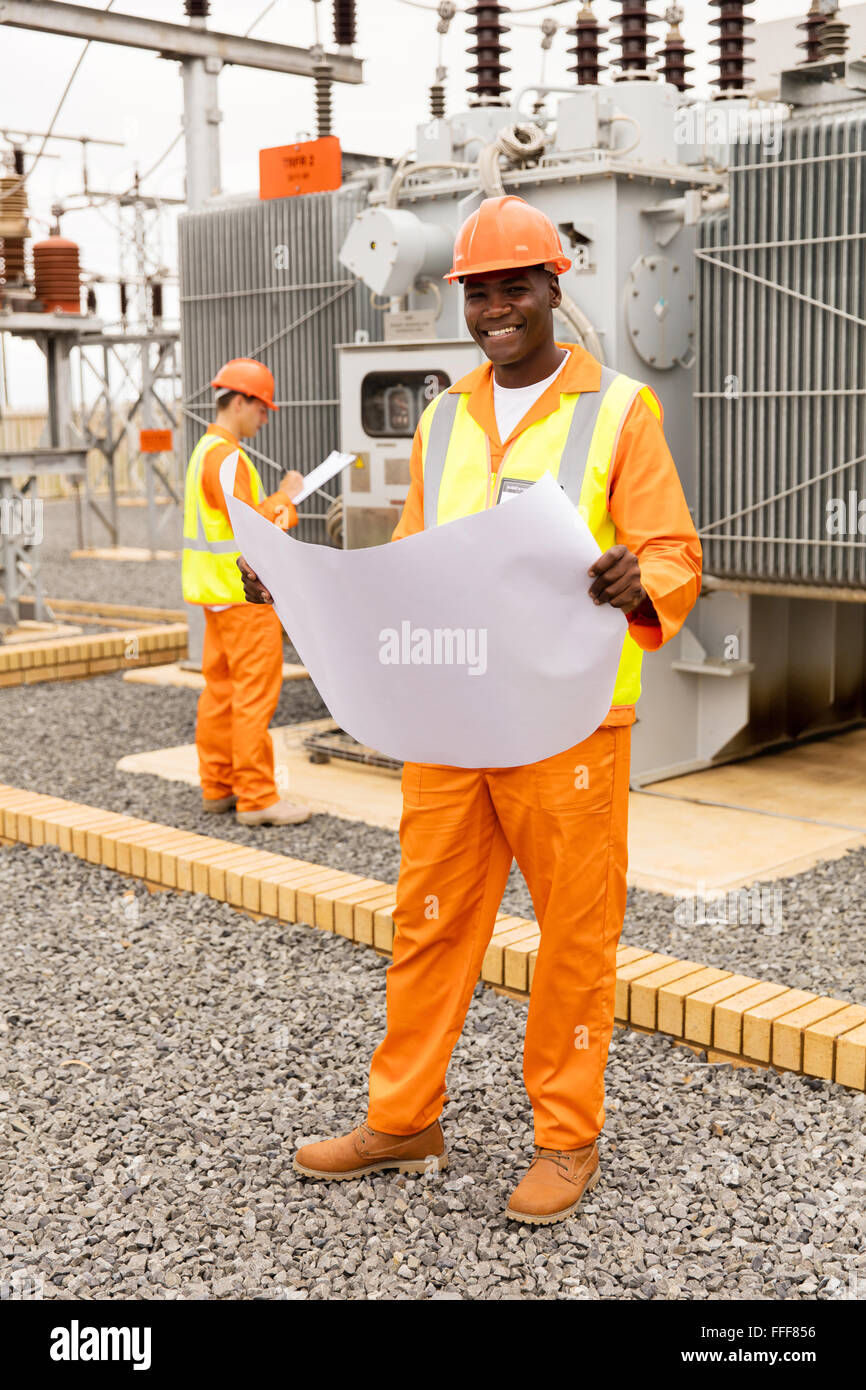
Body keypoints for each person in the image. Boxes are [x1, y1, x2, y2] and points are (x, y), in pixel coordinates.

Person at [238, 196, 702, 1223]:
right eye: (476, 292)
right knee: (428, 922)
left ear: (551, 287)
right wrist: (304, 585)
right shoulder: (447, 411)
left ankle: (564, 1137)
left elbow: (672, 550)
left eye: (512, 287)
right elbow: (415, 559)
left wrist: (642, 580)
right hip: (454, 721)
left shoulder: (619, 410)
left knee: (573, 938)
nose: (494, 308)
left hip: (567, 729)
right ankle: (403, 1118)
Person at [182, 356, 311, 827]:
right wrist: (288, 498)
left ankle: (218, 787)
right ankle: (257, 798)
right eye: (261, 408)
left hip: (216, 597)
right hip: (244, 597)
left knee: (220, 693)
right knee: (253, 697)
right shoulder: (227, 456)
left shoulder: (204, 451)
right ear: (239, 401)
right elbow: (252, 526)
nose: (265, 416)